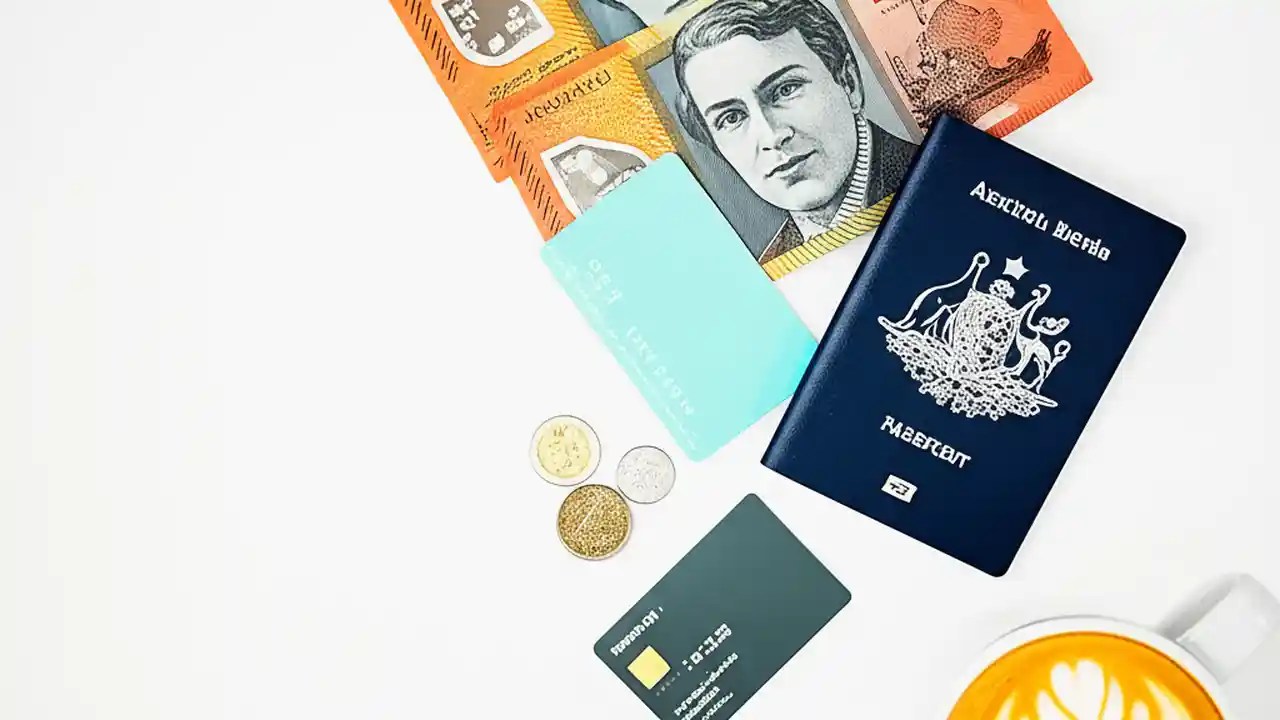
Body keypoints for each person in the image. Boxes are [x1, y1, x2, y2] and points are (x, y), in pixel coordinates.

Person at [672, 0, 915, 262]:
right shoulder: (770, 269)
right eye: (731, 118)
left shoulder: (944, 172)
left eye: (785, 89)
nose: (772, 136)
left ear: (849, 82)